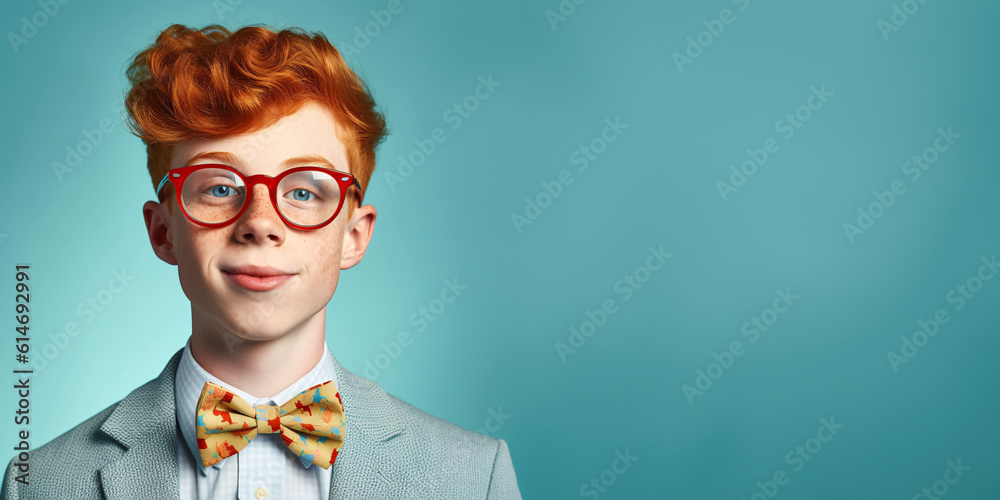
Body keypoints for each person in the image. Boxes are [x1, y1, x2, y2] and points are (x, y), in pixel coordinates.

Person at [1, 24, 520, 499]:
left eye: (303, 192)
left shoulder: (473, 477)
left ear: (353, 236)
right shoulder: (40, 484)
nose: (260, 222)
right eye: (219, 187)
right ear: (163, 232)